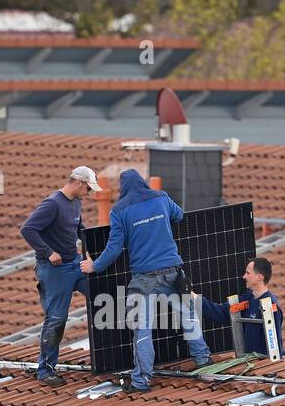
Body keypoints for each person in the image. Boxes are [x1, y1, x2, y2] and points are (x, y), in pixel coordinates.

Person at [82, 169, 210, 394]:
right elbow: (179, 215)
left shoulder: (119, 211)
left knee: (142, 329)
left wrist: (95, 267)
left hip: (144, 279)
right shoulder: (161, 197)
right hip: (172, 271)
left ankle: (141, 382)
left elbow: (114, 248)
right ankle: (203, 359)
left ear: (123, 187)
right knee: (187, 316)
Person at [20, 165, 102, 386]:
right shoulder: (52, 204)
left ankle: (108, 354)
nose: (90, 193)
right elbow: (27, 229)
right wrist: (48, 252)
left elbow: (78, 229)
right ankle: (45, 370)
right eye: (88, 188)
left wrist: (91, 250)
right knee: (57, 319)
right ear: (77, 183)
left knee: (102, 291)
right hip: (54, 269)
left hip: (74, 264)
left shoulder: (75, 202)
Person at [198, 257, 285, 358]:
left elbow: (274, 346)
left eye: (248, 273)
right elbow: (222, 312)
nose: (244, 277)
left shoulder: (271, 306)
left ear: (259, 277)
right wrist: (194, 298)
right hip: (249, 361)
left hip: (262, 365)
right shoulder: (248, 298)